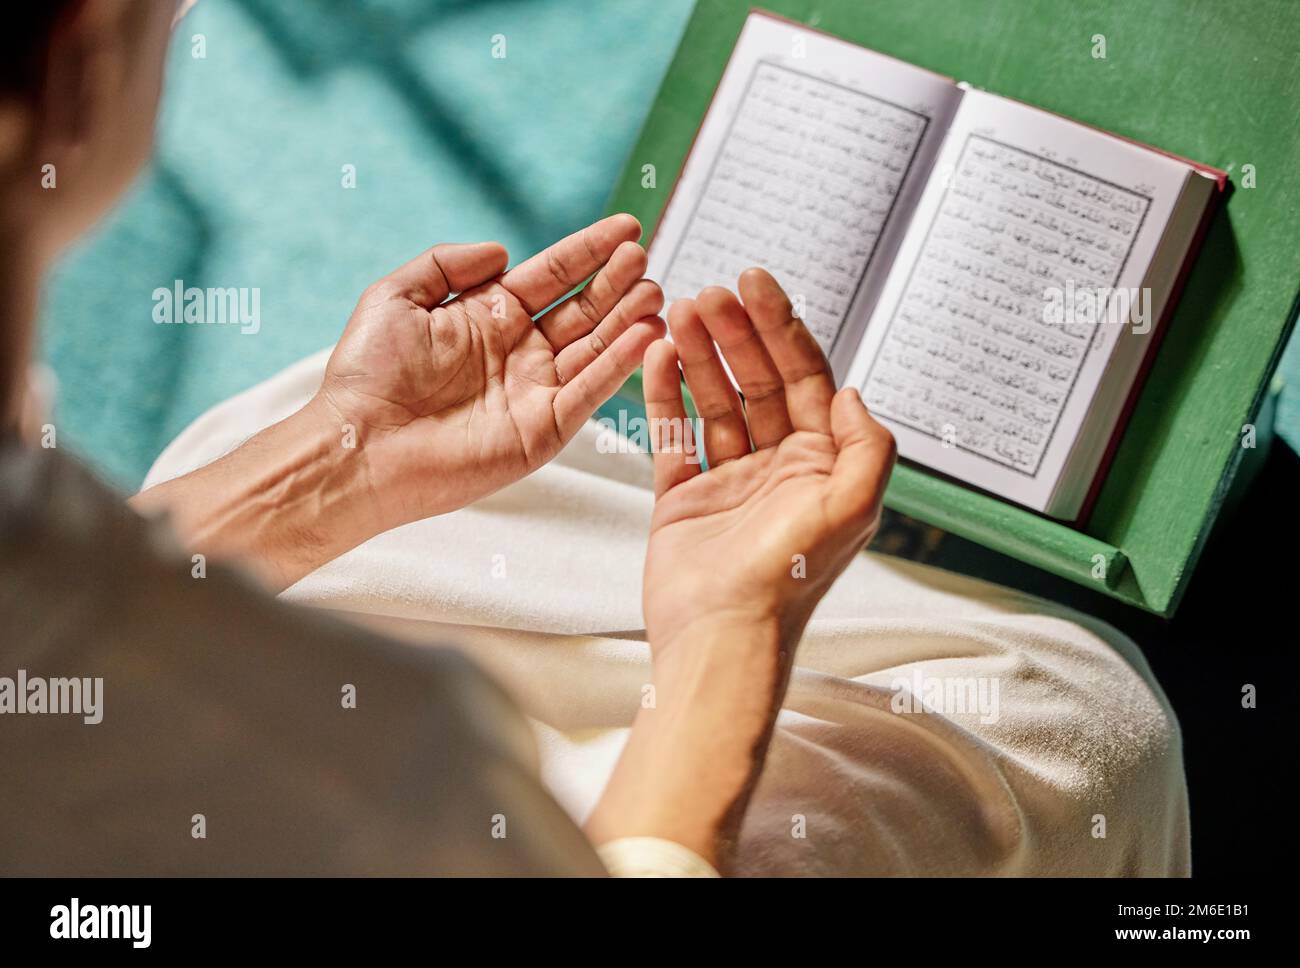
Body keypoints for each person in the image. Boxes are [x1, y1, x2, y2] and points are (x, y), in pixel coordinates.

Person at [0, 0, 895, 875]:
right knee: (973, 722)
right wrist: (725, 628)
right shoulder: (382, 766)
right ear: (83, 69)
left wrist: (345, 450)